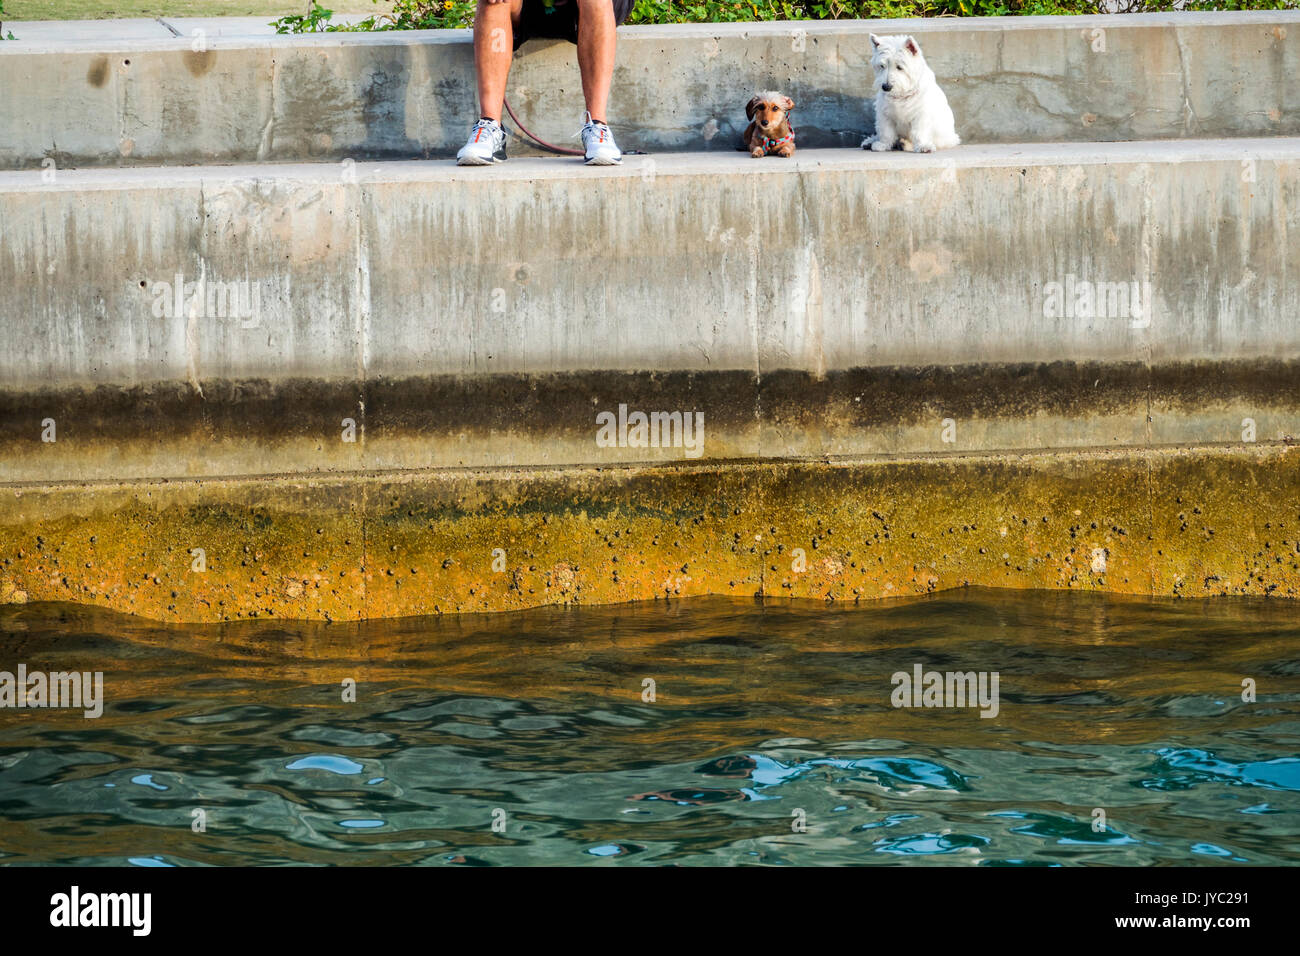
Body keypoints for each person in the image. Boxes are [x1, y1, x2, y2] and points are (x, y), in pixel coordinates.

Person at [456, 0, 634, 166]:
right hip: (526, 6)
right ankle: (490, 126)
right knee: (493, 1)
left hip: (586, 9)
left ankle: (597, 127)